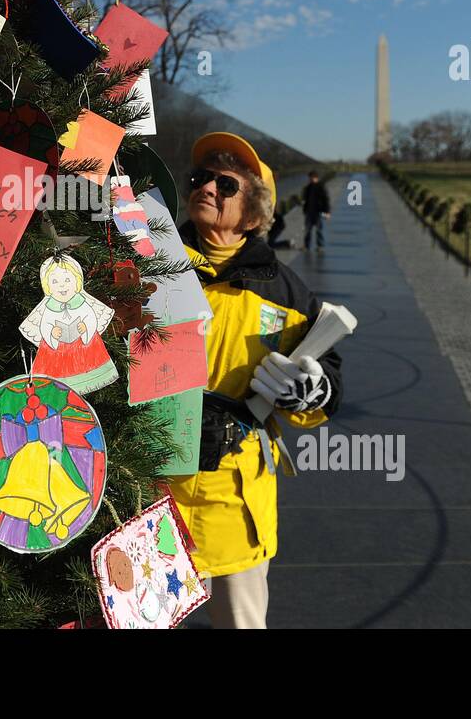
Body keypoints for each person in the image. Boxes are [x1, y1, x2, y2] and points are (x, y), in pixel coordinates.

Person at [169, 132, 344, 629]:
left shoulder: (286, 293)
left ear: (253, 214)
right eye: (200, 178)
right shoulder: (152, 264)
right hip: (149, 491)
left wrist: (308, 391)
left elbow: (329, 380)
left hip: (234, 498)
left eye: (226, 184)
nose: (207, 188)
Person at [302, 170, 331, 251]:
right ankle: (306, 246)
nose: (310, 179)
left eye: (312, 178)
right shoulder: (308, 188)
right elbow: (305, 200)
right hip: (309, 212)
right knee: (307, 230)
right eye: (310, 178)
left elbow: (326, 200)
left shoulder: (321, 187)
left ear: (316, 178)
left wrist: (327, 212)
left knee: (319, 230)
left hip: (318, 212)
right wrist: (304, 209)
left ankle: (320, 246)